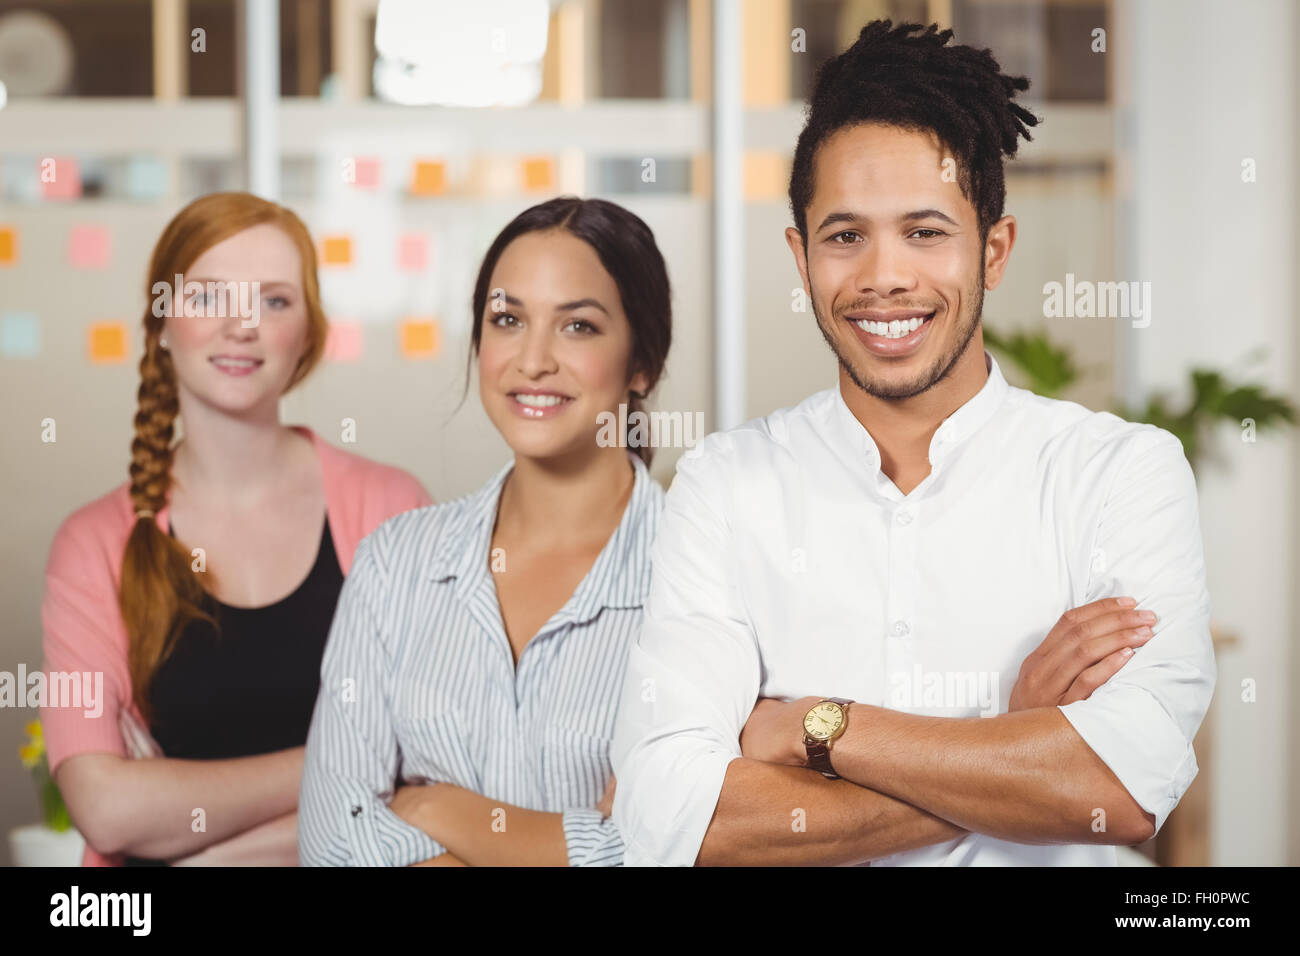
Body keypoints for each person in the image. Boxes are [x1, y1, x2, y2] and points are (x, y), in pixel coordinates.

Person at [611, 20, 1216, 866]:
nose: (883, 276)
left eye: (925, 232)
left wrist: (819, 728)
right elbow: (672, 818)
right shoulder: (725, 485)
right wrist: (1013, 741)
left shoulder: (1118, 474)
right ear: (802, 256)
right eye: (845, 234)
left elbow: (1115, 790)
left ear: (993, 249)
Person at [40, 192, 431, 866]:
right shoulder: (90, 545)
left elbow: (438, 777)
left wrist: (208, 857)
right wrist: (351, 763)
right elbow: (105, 809)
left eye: (275, 301)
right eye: (209, 297)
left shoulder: (393, 508)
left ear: (307, 333)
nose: (242, 325)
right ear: (161, 323)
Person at [298, 196, 671, 866]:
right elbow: (332, 844)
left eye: (578, 327)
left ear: (641, 362)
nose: (532, 361)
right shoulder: (397, 563)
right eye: (507, 320)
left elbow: (681, 849)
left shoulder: (697, 572)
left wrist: (442, 808)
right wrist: (578, 840)